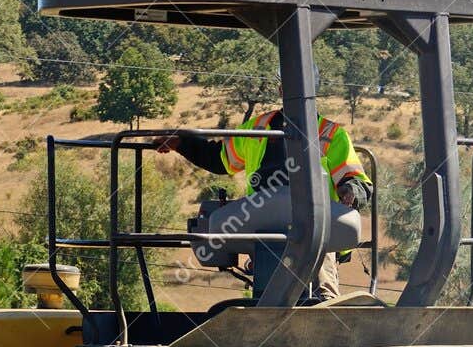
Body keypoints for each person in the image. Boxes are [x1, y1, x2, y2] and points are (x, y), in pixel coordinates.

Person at [158, 107, 371, 299]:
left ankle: (323, 313)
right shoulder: (257, 129)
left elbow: (356, 180)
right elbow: (220, 158)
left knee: (321, 290)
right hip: (265, 232)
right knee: (269, 292)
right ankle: (264, 318)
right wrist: (182, 143)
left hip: (317, 234)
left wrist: (350, 191)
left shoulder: (330, 134)